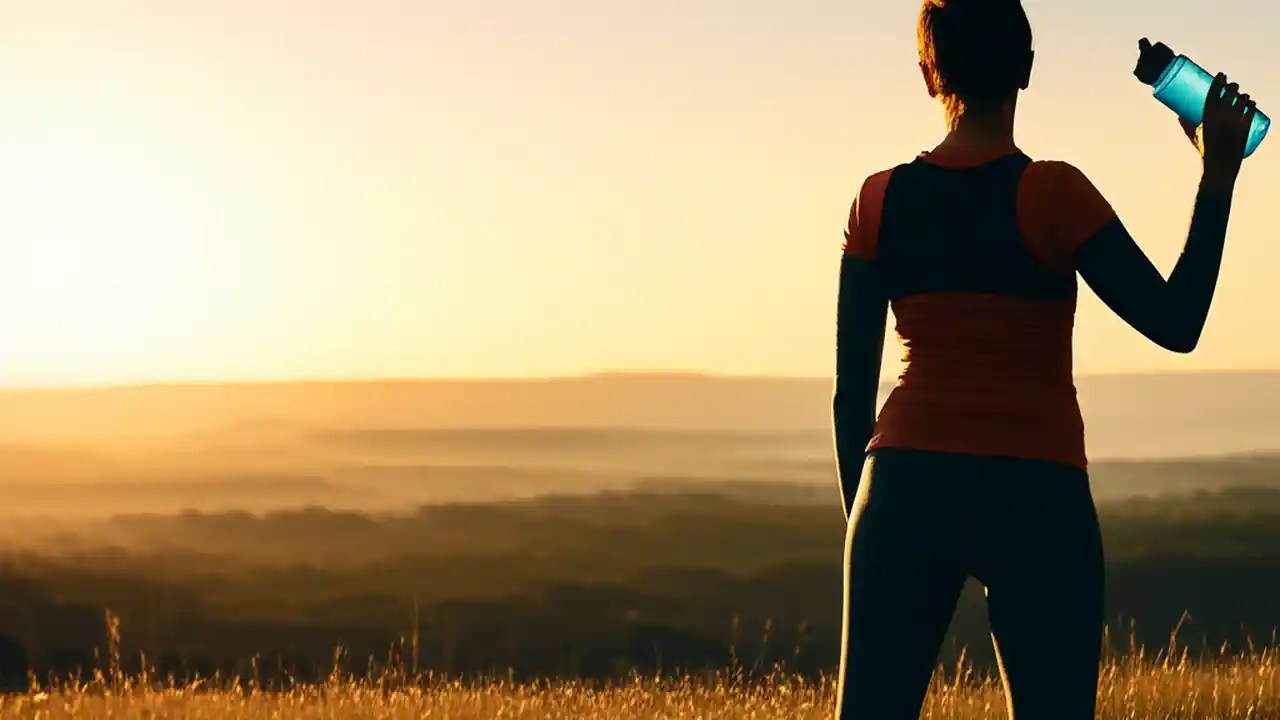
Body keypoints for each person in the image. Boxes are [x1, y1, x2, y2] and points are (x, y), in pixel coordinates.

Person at [831, 0, 1259, 717]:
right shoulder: (1054, 193)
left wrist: (868, 534)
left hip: (903, 484)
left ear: (926, 75)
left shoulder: (877, 201)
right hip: (1036, 490)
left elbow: (851, 399)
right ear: (1026, 68)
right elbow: (1177, 322)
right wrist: (1216, 177)